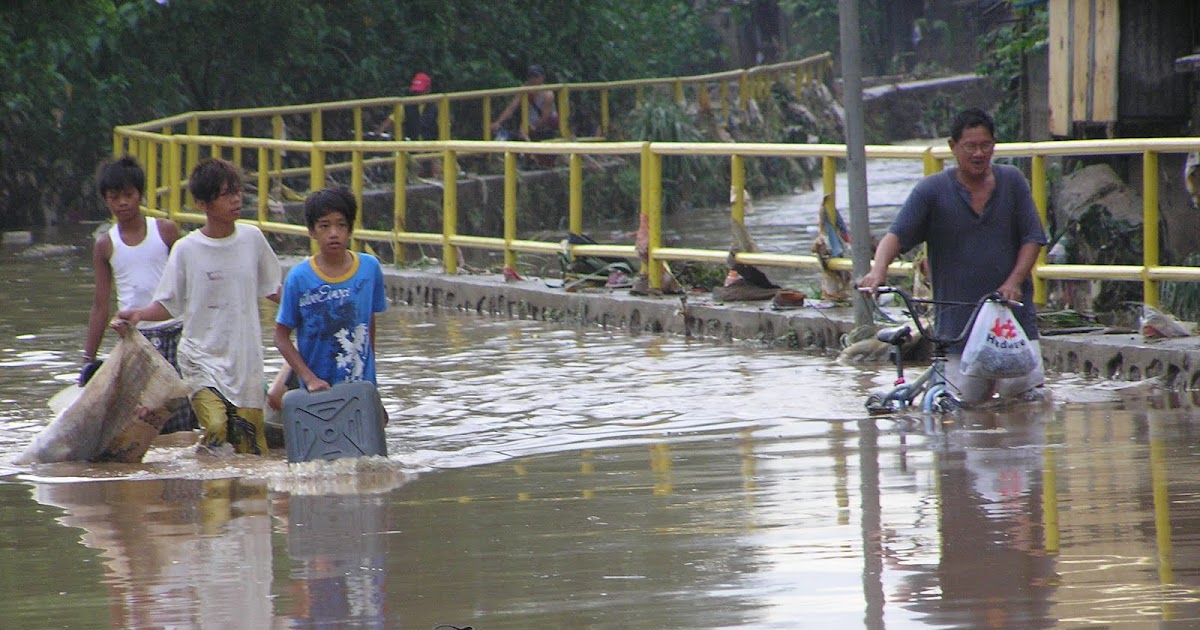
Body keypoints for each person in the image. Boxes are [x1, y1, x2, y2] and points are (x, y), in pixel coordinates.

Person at [857, 107, 1048, 404]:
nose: (978, 153)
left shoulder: (1012, 182)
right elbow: (896, 236)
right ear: (953, 147)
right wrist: (877, 271)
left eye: (985, 145)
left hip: (1012, 321)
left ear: (994, 146)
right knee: (958, 408)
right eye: (970, 146)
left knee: (1026, 402)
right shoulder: (932, 191)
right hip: (958, 326)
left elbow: (1033, 238)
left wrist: (1014, 281)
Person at [113, 158, 282, 455]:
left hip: (245, 362)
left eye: (237, 192)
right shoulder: (186, 250)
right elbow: (169, 304)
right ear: (202, 204)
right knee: (216, 426)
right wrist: (138, 315)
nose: (236, 200)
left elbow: (274, 289)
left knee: (250, 447)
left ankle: (209, 472)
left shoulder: (252, 239)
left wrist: (308, 308)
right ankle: (209, 476)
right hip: (201, 358)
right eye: (226, 194)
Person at [82, 155, 196, 433]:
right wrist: (88, 360)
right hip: (136, 338)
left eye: (128, 195)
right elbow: (100, 306)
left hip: (175, 332)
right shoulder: (105, 245)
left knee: (181, 417)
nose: (122, 203)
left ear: (140, 195)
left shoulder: (166, 231)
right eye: (114, 197)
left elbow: (190, 284)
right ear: (105, 200)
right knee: (143, 421)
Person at [269, 188, 387, 409]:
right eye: (324, 226)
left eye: (341, 225)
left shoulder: (369, 269)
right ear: (312, 231)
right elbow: (280, 337)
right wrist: (309, 379)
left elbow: (368, 322)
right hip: (318, 392)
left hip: (359, 388)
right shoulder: (299, 278)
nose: (334, 233)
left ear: (350, 228)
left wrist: (372, 383)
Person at [491, 64, 559, 141]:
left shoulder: (548, 94)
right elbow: (512, 107)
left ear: (542, 77)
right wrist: (498, 122)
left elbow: (545, 117)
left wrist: (534, 127)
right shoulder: (524, 89)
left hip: (545, 126)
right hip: (528, 125)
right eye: (530, 76)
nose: (533, 79)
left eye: (536, 76)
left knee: (523, 133)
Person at [375, 71, 438, 142]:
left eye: (420, 91)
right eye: (415, 91)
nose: (417, 94)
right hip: (411, 145)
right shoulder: (407, 106)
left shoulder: (438, 107)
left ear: (428, 90)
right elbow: (391, 121)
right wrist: (376, 135)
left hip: (433, 145)